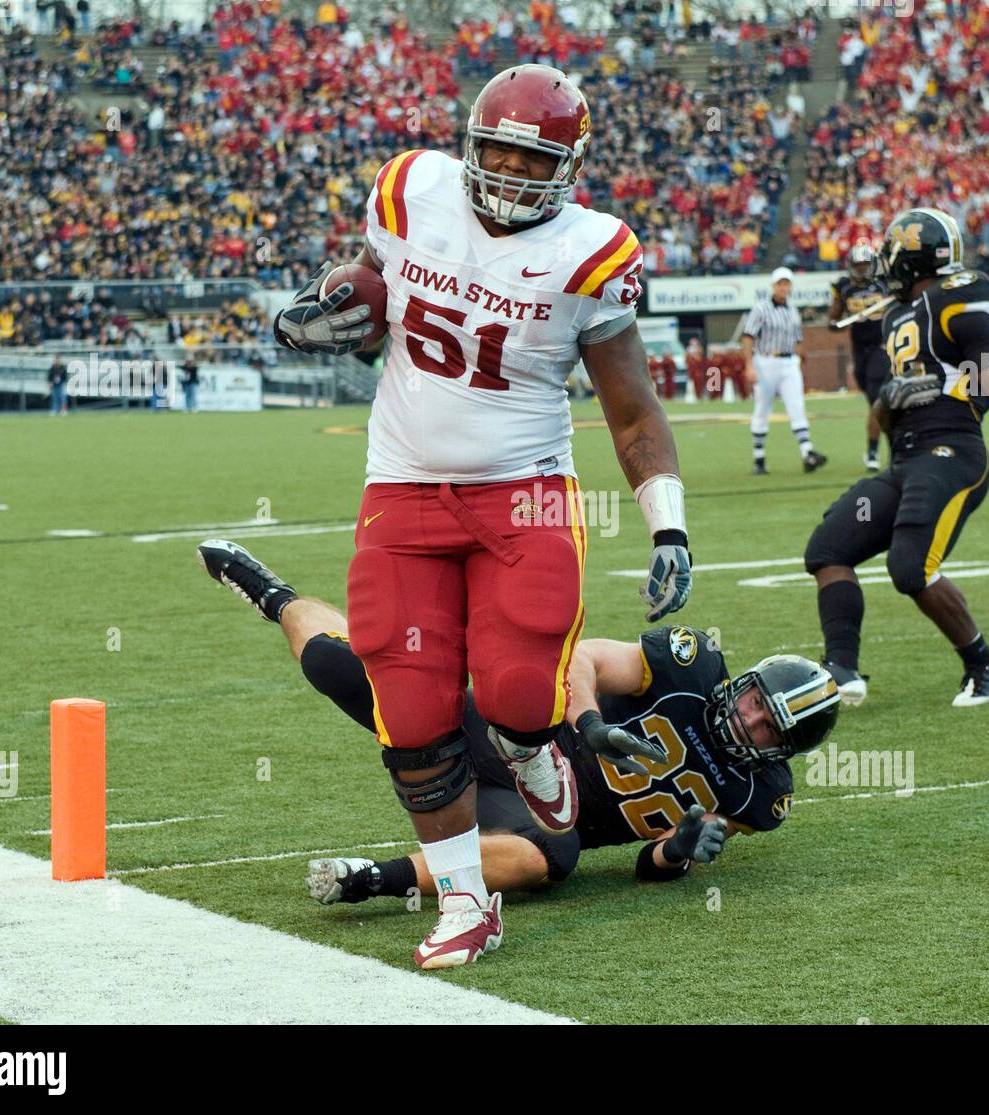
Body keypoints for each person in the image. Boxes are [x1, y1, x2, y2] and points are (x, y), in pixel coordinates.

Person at [268, 66, 694, 969]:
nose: (506, 169)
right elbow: (376, 294)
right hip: (404, 484)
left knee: (511, 688)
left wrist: (669, 522)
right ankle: (466, 900)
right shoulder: (408, 189)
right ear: (467, 142)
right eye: (494, 147)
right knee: (411, 707)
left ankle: (537, 748)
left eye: (528, 156)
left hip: (525, 487)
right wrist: (331, 313)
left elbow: (631, 408)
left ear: (569, 166)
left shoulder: (594, 250)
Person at [196, 541, 836, 908]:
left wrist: (678, 852)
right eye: (753, 698)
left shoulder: (757, 797)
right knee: (337, 667)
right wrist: (588, 723)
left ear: (783, 749)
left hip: (542, 821)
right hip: (519, 740)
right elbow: (584, 656)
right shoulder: (688, 670)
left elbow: (654, 865)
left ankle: (373, 878)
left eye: (765, 726)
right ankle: (274, 596)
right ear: (744, 680)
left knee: (554, 860)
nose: (747, 716)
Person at [804, 208, 989, 709]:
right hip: (907, 459)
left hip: (952, 452)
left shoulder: (959, 294)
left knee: (910, 567)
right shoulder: (895, 315)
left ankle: (984, 661)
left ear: (908, 259)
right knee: (828, 548)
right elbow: (892, 414)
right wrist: (890, 401)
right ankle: (841, 670)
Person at [742, 267, 826, 475]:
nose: (783, 287)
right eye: (780, 283)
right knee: (762, 408)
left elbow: (797, 339)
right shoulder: (761, 309)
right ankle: (759, 458)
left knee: (796, 407)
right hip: (766, 360)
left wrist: (800, 357)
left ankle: (807, 453)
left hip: (789, 362)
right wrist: (749, 365)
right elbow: (747, 336)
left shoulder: (792, 310)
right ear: (773, 285)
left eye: (786, 283)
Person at [829, 243, 892, 471]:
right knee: (873, 401)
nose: (863, 269)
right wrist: (835, 322)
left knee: (878, 400)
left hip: (881, 349)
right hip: (860, 352)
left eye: (866, 264)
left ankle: (874, 453)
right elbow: (833, 318)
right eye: (859, 265)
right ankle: (878, 449)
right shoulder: (844, 288)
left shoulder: (886, 285)